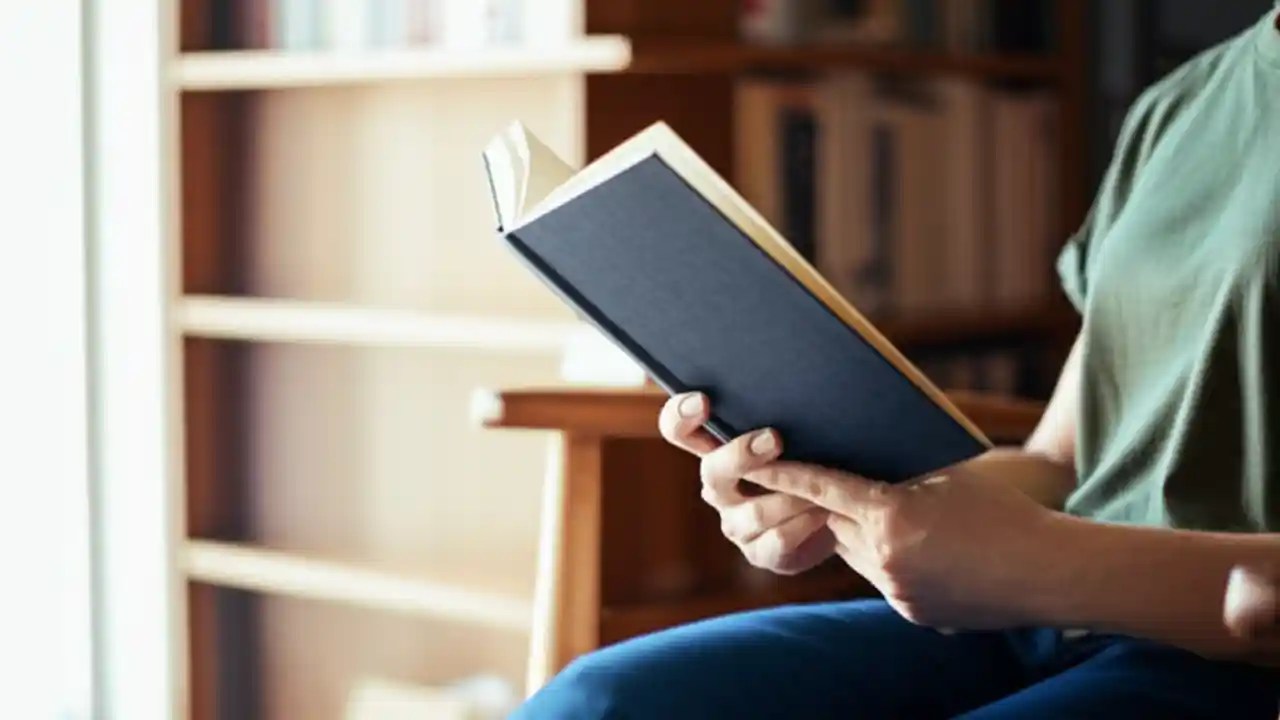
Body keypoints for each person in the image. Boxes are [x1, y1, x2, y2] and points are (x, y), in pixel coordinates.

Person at [515, 5, 1280, 717]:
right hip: (1041, 620)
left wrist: (1044, 562)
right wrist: (833, 488)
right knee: (603, 700)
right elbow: (1061, 460)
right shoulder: (1184, 105)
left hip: (1222, 656)